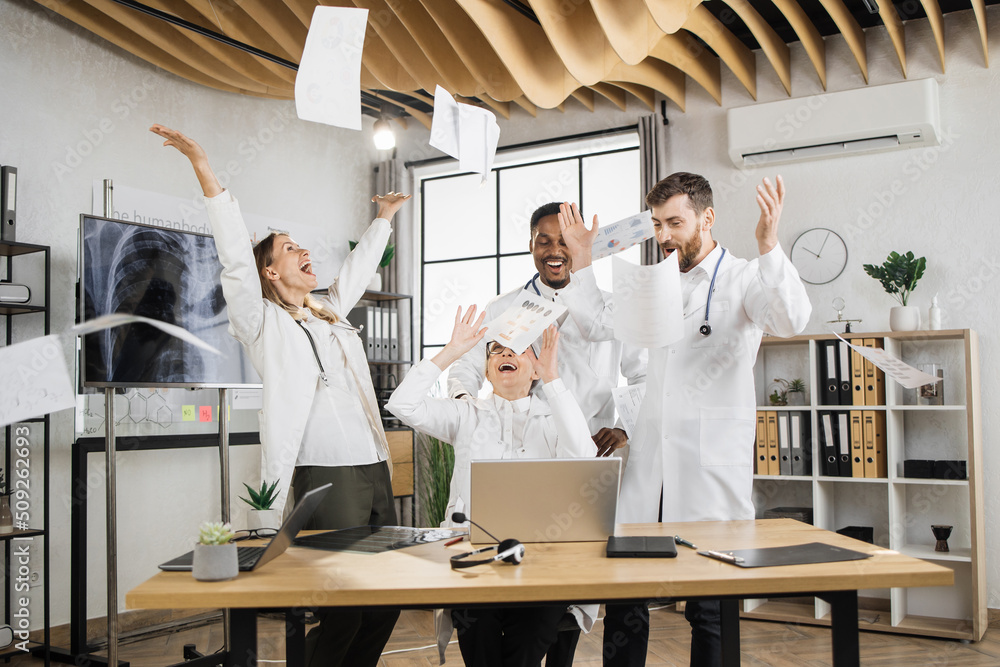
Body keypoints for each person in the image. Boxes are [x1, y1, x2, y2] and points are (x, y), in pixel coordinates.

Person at [151, 124, 410, 667]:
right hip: (326, 470)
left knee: (386, 596)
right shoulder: (260, 320)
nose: (305, 251)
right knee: (342, 604)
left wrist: (384, 218)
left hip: (375, 466)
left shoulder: (330, 311)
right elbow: (235, 261)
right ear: (270, 270)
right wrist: (203, 164)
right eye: (291, 249)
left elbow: (360, 268)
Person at [557, 173, 812, 666]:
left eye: (675, 222)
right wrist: (583, 261)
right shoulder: (656, 283)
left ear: (707, 217)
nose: (664, 235)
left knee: (710, 607)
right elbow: (595, 324)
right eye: (657, 224)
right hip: (649, 462)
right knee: (625, 596)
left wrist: (769, 245)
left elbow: (790, 319)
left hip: (708, 466)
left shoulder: (744, 278)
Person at [447, 202, 647, 664]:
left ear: (582, 246)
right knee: (528, 580)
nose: (555, 250)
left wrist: (623, 427)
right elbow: (465, 366)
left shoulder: (611, 312)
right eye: (544, 240)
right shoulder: (505, 308)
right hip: (528, 458)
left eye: (565, 241)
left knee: (570, 589)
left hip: (587, 454)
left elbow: (642, 376)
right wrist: (467, 408)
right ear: (531, 245)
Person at [386, 310, 596, 667]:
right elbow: (402, 405)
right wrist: (452, 351)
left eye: (518, 350)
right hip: (474, 559)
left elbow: (584, 455)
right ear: (486, 371)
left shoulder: (554, 416)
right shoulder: (466, 414)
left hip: (542, 562)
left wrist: (554, 378)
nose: (504, 354)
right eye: (495, 349)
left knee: (528, 642)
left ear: (535, 369)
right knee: (479, 638)